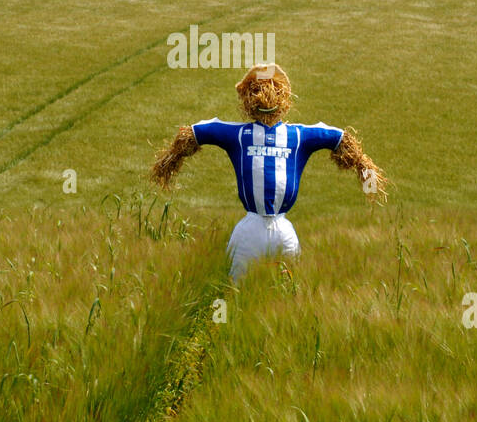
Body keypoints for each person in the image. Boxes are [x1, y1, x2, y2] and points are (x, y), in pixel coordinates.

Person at [150, 63, 387, 279]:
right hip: (251, 227)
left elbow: (340, 139)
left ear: (283, 98)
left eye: (272, 90)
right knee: (239, 285)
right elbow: (196, 132)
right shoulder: (239, 134)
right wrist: (168, 162)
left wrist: (367, 173)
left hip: (281, 229)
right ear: (247, 98)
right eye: (256, 90)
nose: (263, 96)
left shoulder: (298, 135)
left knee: (287, 288)